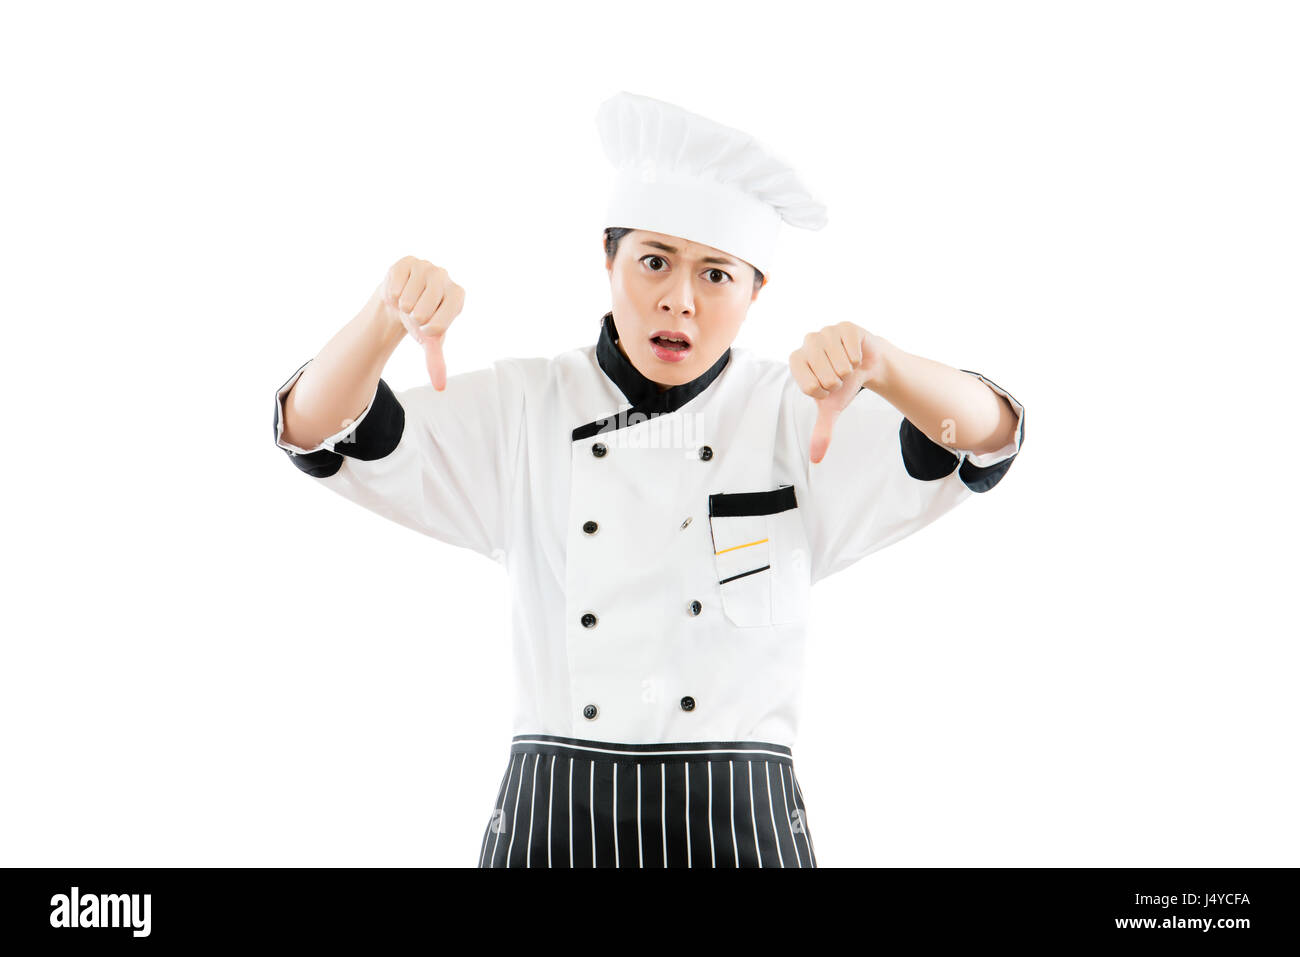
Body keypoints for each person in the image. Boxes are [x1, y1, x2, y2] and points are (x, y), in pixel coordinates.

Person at [271, 92, 1026, 868]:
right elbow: (317, 431)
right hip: (557, 818)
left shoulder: (797, 417)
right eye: (654, 260)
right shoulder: (525, 407)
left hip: (741, 823)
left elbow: (987, 437)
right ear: (608, 259)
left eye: (717, 274)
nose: (679, 298)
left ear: (756, 290)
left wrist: (887, 366)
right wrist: (383, 317)